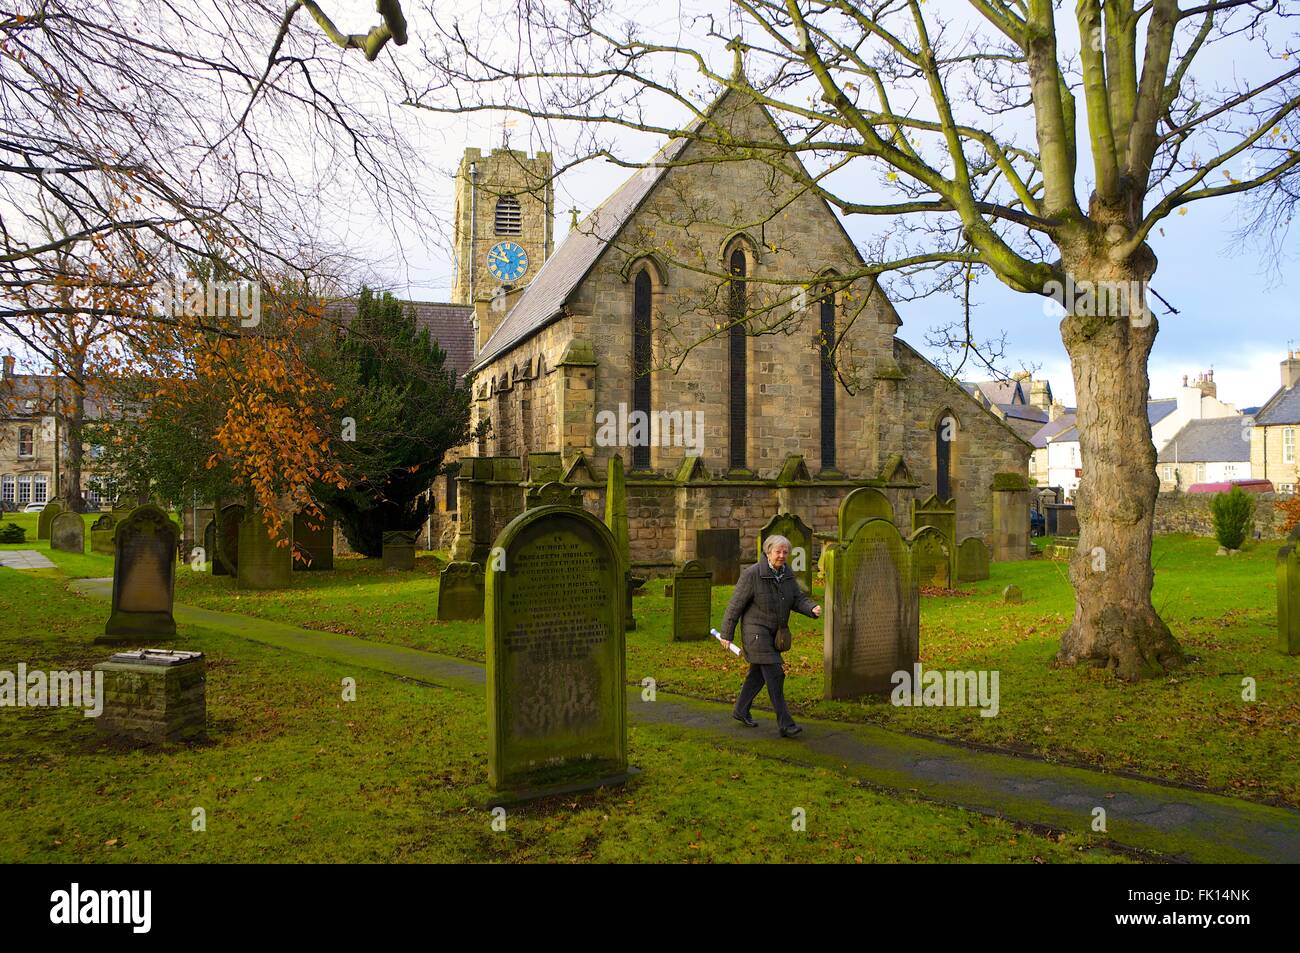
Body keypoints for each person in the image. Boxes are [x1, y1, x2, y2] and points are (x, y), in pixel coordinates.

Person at [718, 534, 820, 737]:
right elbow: (735, 605)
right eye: (778, 552)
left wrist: (811, 608)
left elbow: (797, 598)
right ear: (767, 552)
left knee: (757, 675)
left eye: (785, 552)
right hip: (755, 633)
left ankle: (740, 710)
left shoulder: (786, 573)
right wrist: (726, 634)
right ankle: (786, 724)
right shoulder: (752, 574)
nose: (782, 556)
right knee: (775, 674)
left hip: (773, 634)